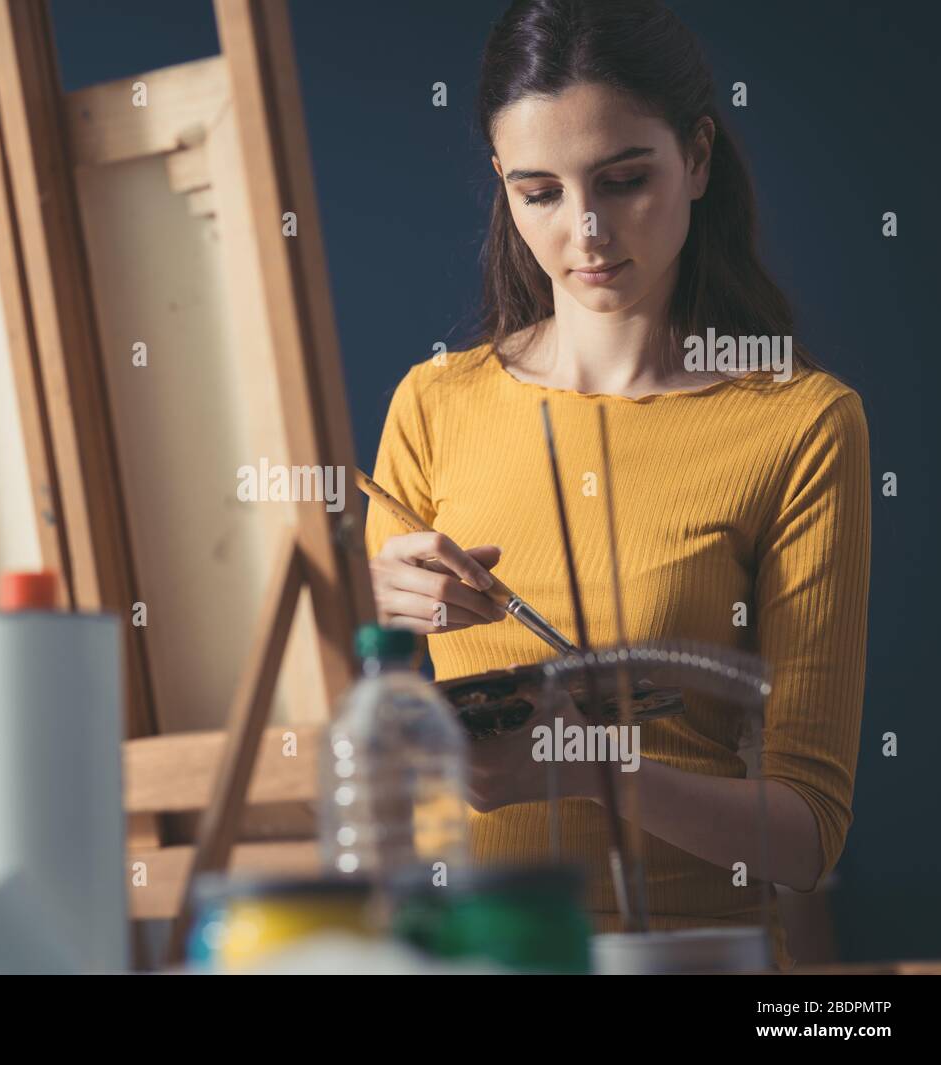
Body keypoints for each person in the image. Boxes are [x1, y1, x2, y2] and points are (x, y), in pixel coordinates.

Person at [364, 0, 870, 969]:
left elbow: (803, 838)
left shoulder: (800, 423)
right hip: (466, 951)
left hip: (683, 955)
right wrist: (372, 616)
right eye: (538, 192)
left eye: (624, 179)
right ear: (500, 187)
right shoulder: (432, 405)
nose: (585, 233)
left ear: (699, 158)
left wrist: (597, 767)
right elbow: (377, 775)